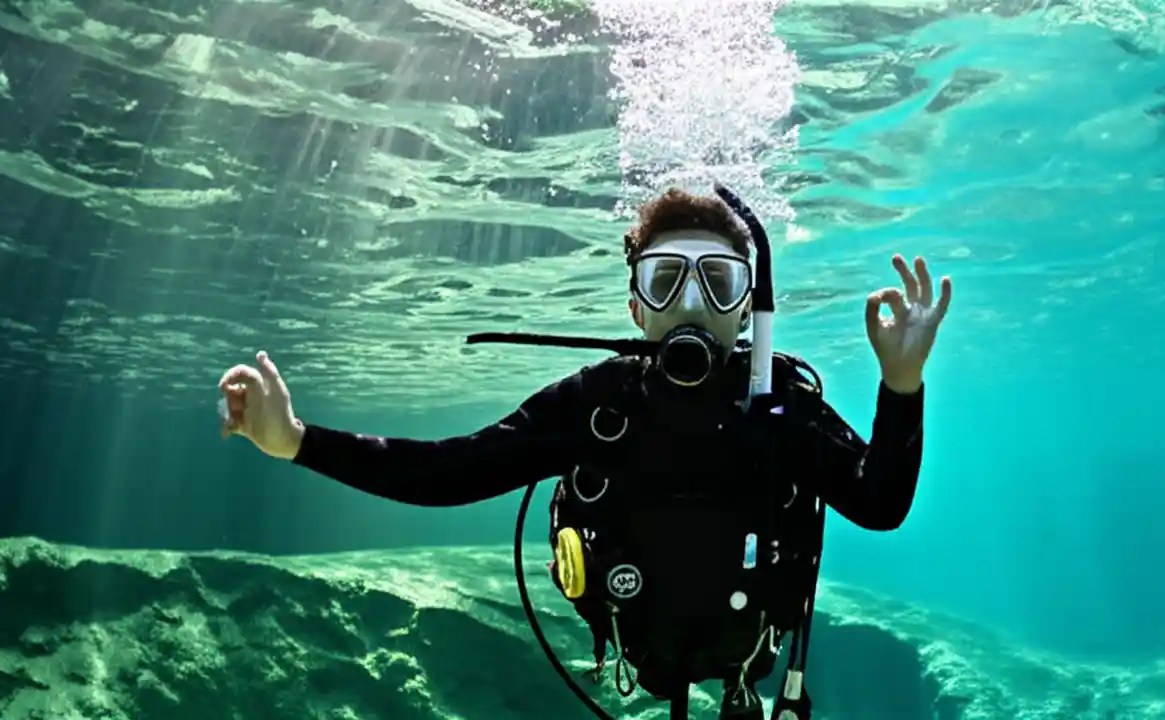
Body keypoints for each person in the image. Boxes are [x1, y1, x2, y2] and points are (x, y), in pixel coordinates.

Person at [217, 185, 952, 720]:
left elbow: (879, 503)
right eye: (666, 279)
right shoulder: (597, 408)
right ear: (636, 306)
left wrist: (902, 386)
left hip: (748, 657)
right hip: (639, 652)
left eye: (719, 282)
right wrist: (297, 441)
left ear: (746, 309)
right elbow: (447, 472)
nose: (691, 304)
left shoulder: (781, 403)